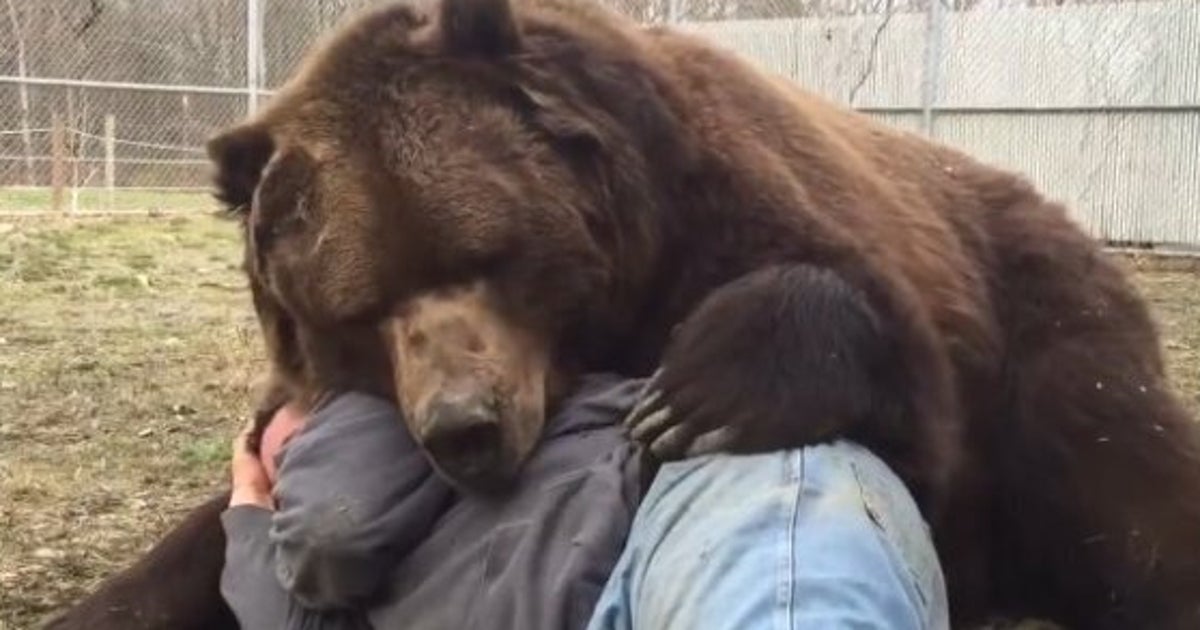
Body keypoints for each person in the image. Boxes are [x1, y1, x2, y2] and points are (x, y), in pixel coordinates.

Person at [221, 372, 949, 630]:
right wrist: (250, 515)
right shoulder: (397, 581)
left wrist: (255, 493)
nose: (296, 483)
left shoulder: (369, 399)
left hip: (705, 507)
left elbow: (331, 532)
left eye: (298, 454)